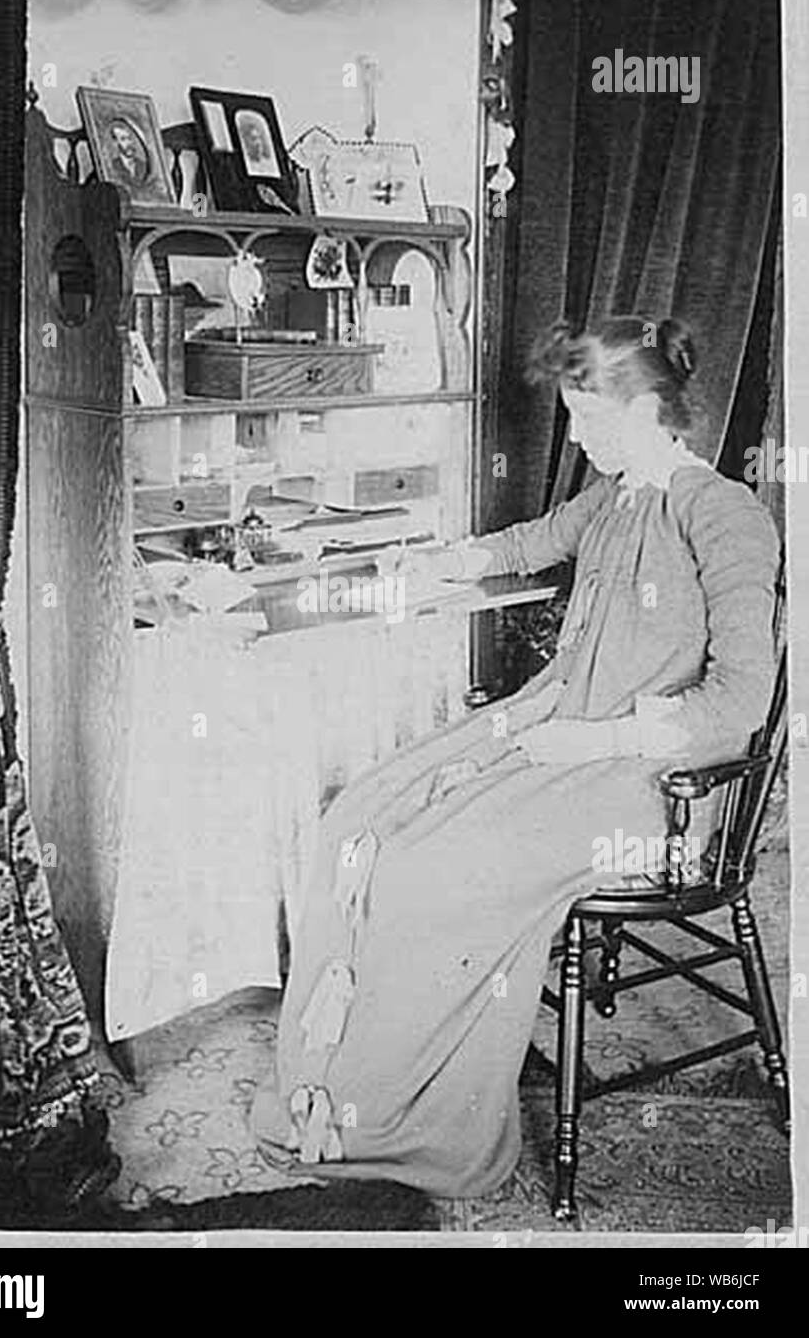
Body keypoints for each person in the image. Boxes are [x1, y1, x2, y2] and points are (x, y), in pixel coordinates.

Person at [251, 315, 780, 1197]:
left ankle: (395, 1120)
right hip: (558, 726)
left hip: (653, 783)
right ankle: (331, 1089)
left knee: (429, 865)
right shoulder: (615, 496)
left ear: (649, 409)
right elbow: (532, 543)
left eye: (591, 418)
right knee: (362, 816)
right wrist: (418, 569)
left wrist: (599, 739)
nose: (576, 436)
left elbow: (740, 703)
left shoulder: (722, 514)